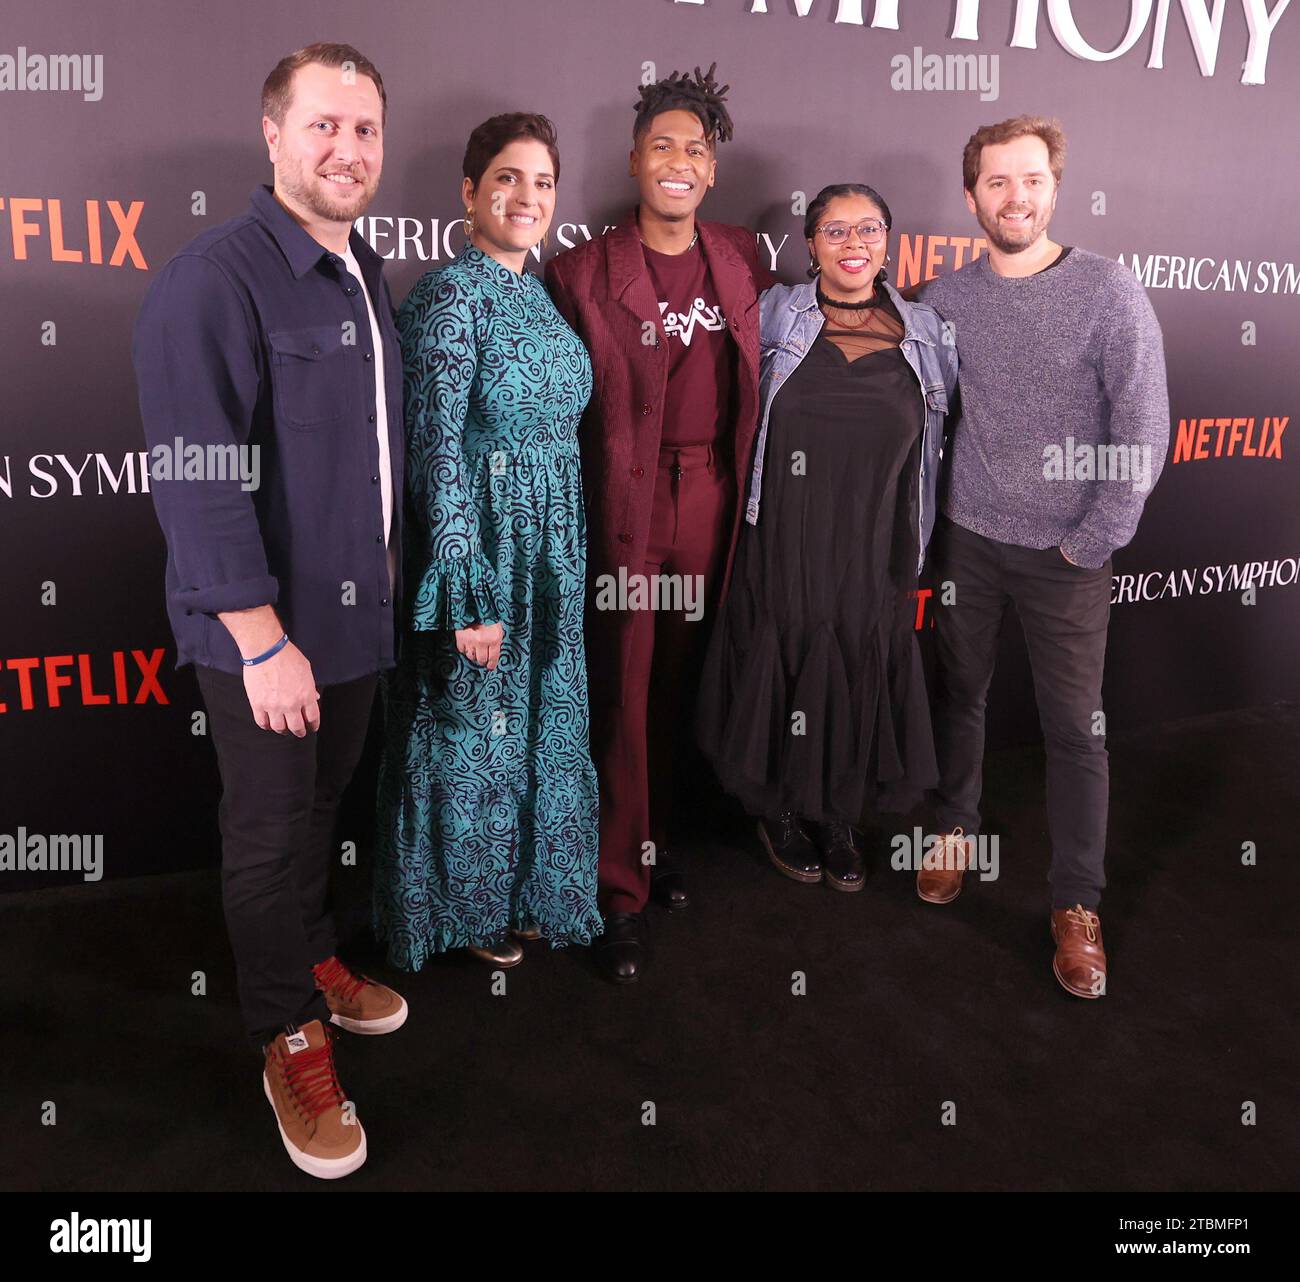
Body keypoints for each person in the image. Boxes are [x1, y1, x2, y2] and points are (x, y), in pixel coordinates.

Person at [133, 43, 408, 1180]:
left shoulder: (362, 271)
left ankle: (311, 958)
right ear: (273, 135)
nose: (348, 148)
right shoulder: (213, 278)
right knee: (265, 834)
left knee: (320, 811)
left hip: (353, 625)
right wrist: (262, 643)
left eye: (365, 128)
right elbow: (197, 480)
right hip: (267, 640)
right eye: (323, 125)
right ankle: (285, 1034)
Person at [918, 116, 1170, 998]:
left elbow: (1143, 429)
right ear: (971, 197)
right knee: (961, 693)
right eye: (996, 182)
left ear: (1055, 187)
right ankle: (954, 830)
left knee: (1074, 729)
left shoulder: (1109, 291)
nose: (1014, 197)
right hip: (969, 541)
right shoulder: (948, 298)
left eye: (1030, 179)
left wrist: (1090, 539)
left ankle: (1075, 903)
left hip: (1068, 555)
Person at [545, 64, 772, 982]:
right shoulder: (583, 271)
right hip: (628, 505)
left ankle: (654, 841)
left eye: (697, 149)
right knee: (624, 690)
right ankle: (614, 889)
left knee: (679, 682)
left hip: (711, 494)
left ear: (712, 170)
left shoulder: (740, 258)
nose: (680, 161)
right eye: (663, 145)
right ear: (634, 159)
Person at [372, 114, 601, 974]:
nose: (527, 197)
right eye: (508, 178)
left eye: (543, 183)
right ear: (469, 193)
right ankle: (463, 906)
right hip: (481, 553)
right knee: (471, 730)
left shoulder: (538, 295)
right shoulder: (447, 298)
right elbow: (433, 451)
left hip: (549, 556)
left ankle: (526, 890)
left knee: (537, 722)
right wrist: (466, 594)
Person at [697, 184, 956, 890]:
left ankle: (838, 814)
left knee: (858, 655)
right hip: (784, 526)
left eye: (868, 228)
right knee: (784, 646)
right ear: (810, 244)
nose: (853, 243)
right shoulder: (774, 312)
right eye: (835, 230)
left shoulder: (929, 332)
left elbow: (947, 437)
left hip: (876, 536)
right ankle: (777, 809)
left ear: (888, 242)